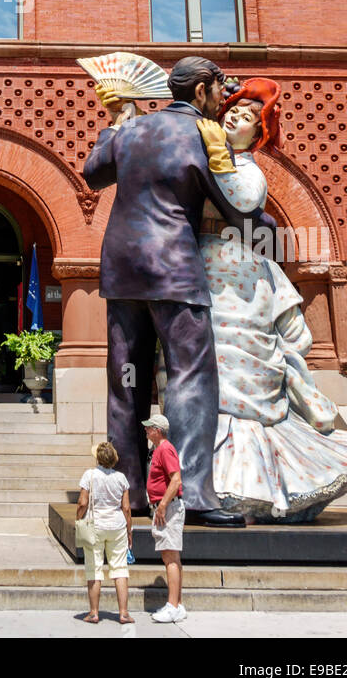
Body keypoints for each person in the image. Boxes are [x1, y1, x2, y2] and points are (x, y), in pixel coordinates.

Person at [83, 55, 270, 525]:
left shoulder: (134, 130)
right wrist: (262, 225)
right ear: (202, 90)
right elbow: (237, 212)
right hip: (174, 270)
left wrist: (115, 123)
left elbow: (92, 172)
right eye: (220, 90)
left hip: (122, 270)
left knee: (126, 383)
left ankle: (130, 494)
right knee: (190, 379)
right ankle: (194, 496)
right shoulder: (204, 134)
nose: (224, 100)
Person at [201, 77, 347, 520]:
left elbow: (242, 201)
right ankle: (219, 482)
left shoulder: (245, 170)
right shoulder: (201, 157)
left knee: (240, 384)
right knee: (211, 381)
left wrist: (217, 155)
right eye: (232, 113)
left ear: (256, 136)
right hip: (200, 274)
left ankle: (259, 489)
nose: (234, 119)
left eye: (246, 118)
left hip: (238, 282)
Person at [75, 440, 134, 624]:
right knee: (120, 569)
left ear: (98, 458)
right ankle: (123, 613)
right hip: (117, 526)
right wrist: (129, 530)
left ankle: (93, 612)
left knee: (94, 569)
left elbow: (83, 502)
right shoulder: (121, 478)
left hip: (96, 526)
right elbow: (126, 508)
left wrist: (78, 519)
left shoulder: (90, 475)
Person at [144, 416, 187, 622]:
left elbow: (176, 478)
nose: (146, 431)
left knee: (169, 557)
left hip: (168, 508)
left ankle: (172, 606)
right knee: (172, 557)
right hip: (166, 507)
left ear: (157, 431)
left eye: (149, 428)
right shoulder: (161, 449)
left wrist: (161, 505)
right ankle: (177, 604)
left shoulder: (164, 449)